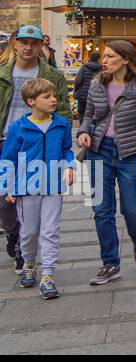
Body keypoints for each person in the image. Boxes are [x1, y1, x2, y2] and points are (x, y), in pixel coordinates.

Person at [78, 39, 136, 285]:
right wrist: (83, 132)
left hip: (131, 154)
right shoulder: (96, 85)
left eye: (111, 56)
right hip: (99, 151)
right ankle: (110, 263)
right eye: (104, 56)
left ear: (125, 59)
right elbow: (88, 115)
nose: (105, 60)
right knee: (101, 209)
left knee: (132, 209)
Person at [0, 25, 71, 272]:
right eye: (24, 42)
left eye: (34, 42)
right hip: (6, 140)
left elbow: (63, 110)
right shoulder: (2, 74)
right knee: (5, 201)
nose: (28, 47)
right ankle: (13, 233)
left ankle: (24, 252)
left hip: (39, 144)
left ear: (42, 46)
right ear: (15, 44)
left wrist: (63, 144)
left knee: (34, 204)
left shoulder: (53, 76)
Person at [1, 77, 75, 299]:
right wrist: (9, 187)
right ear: (31, 101)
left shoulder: (61, 125)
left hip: (53, 186)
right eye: (47, 96)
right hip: (27, 187)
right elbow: (8, 159)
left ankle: (48, 275)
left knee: (50, 231)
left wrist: (69, 165)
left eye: (54, 95)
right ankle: (30, 264)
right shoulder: (18, 128)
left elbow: (67, 150)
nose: (54, 100)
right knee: (30, 232)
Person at [72, 51, 101, 124]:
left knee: (81, 113)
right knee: (93, 113)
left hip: (83, 95)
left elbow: (78, 81)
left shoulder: (84, 68)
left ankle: (82, 129)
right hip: (96, 95)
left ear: (90, 58)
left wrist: (76, 91)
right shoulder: (101, 69)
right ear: (98, 59)